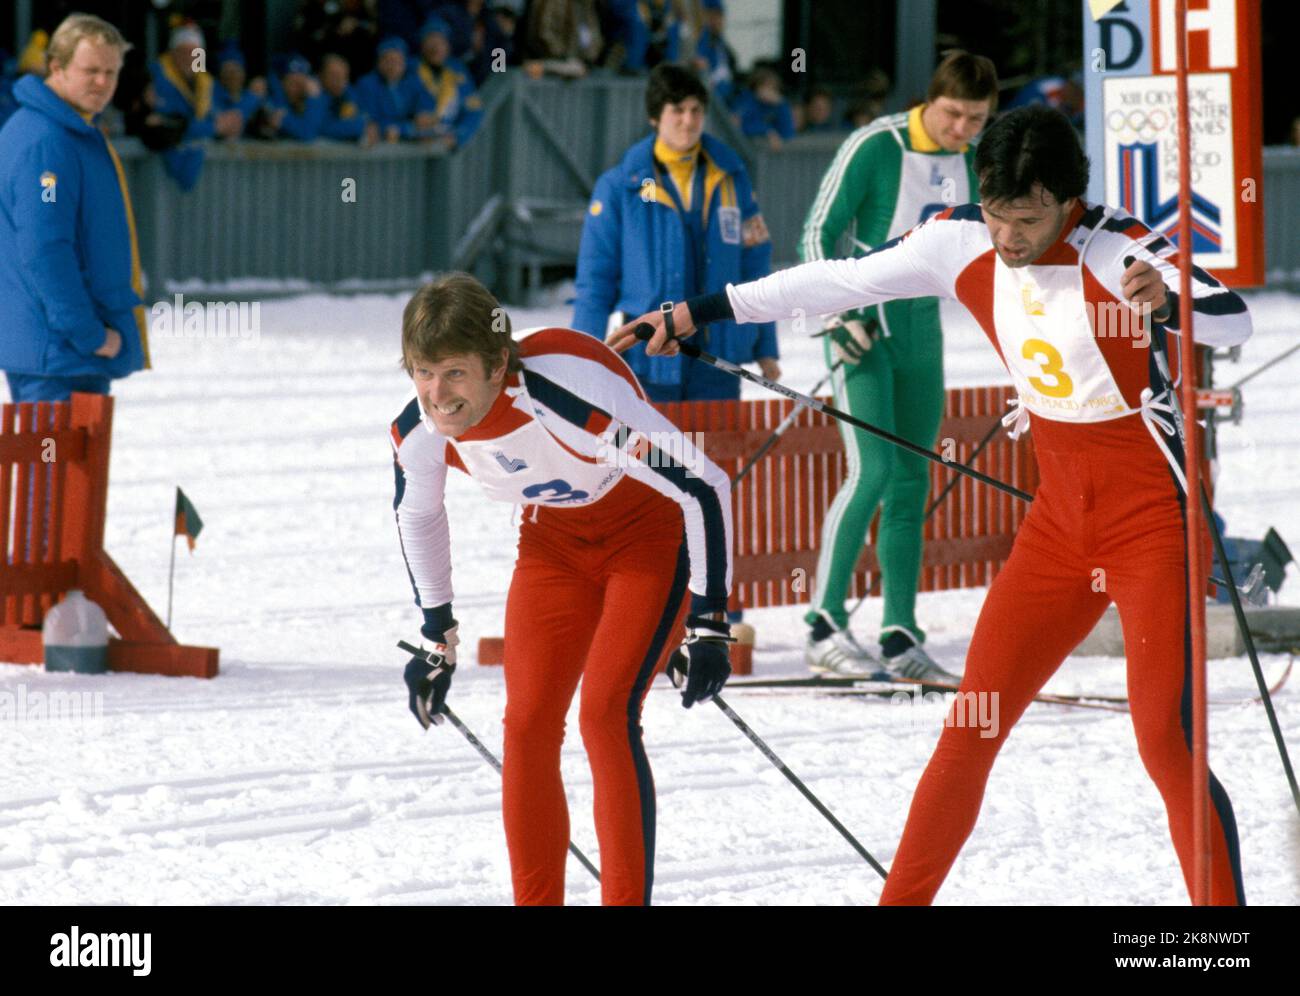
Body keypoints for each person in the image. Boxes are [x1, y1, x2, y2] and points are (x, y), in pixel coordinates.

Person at [613, 103, 1251, 906]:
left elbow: (1234, 315)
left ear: (1067, 201)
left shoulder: (1120, 244)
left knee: (1166, 741)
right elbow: (839, 280)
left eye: (1026, 218)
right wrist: (699, 311)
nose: (1009, 240)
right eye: (996, 214)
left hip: (1151, 522)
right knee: (971, 726)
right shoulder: (961, 237)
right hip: (1057, 527)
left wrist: (1167, 304)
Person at [392, 273, 734, 906]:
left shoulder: (565, 396)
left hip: (649, 534)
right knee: (525, 724)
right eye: (422, 372)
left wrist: (709, 622)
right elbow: (419, 514)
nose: (437, 396)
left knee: (605, 715)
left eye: (455, 374)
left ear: (498, 364)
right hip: (554, 545)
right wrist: (435, 636)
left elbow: (705, 486)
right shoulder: (419, 426)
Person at [795, 50, 997, 680]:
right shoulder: (875, 145)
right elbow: (815, 234)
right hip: (859, 324)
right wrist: (833, 314)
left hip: (921, 329)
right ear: (928, 100)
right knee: (873, 470)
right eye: (954, 114)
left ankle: (900, 635)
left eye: (977, 119)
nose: (963, 128)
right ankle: (823, 625)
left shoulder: (972, 160)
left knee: (913, 479)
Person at [573, 64, 778, 402]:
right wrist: (582, 355)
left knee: (711, 454)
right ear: (655, 117)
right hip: (647, 358)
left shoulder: (732, 177)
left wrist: (765, 346)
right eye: (677, 110)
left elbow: (755, 266)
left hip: (719, 357)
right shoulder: (619, 187)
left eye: (696, 110)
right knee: (652, 455)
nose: (688, 120)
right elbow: (596, 280)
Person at [0, 13, 148, 404]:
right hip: (57, 355)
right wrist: (90, 333)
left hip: (64, 354)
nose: (103, 83)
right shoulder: (47, 143)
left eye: (111, 72)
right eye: (91, 70)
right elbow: (45, 249)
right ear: (57, 67)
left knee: (71, 465)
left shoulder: (67, 131)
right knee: (53, 464)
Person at [148, 23, 243, 190]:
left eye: (195, 53)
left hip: (194, 178)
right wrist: (215, 127)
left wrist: (229, 123)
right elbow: (173, 125)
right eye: (184, 52)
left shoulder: (205, 82)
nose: (190, 57)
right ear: (173, 52)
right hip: (159, 177)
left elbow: (221, 116)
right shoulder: (158, 77)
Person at [412, 17, 483, 150]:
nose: (435, 47)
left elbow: (474, 111)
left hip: (447, 148)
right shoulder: (409, 69)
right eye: (430, 41)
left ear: (448, 45)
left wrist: (458, 136)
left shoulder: (458, 71)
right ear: (422, 44)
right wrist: (411, 124)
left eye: (440, 41)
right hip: (412, 146)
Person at [354, 36, 436, 142]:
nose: (393, 66)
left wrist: (424, 114)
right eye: (388, 60)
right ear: (378, 62)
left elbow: (426, 102)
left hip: (408, 136)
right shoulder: (367, 84)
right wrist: (397, 128)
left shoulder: (412, 81)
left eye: (398, 61)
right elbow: (370, 121)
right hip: (381, 140)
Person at [732, 66, 796, 150]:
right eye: (765, 86)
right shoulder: (746, 100)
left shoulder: (777, 106)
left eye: (773, 88)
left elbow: (788, 133)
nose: (769, 92)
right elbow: (738, 125)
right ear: (756, 87)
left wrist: (782, 105)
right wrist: (767, 131)